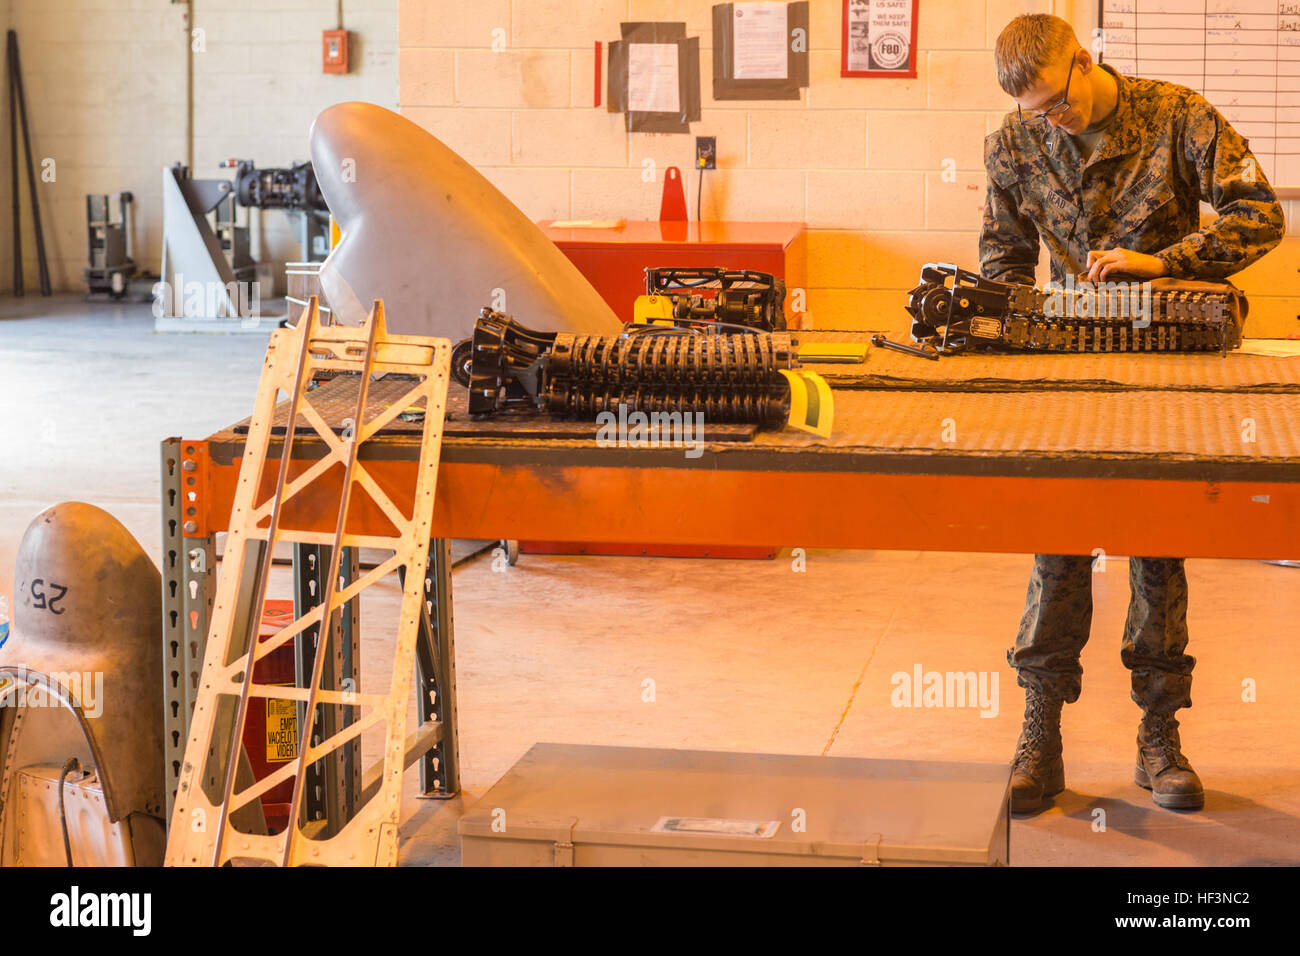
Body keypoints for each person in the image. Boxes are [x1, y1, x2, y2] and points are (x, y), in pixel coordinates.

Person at [981, 14, 1285, 813]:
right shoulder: (1014, 141)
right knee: (1058, 541)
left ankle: (1160, 739)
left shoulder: (1179, 116)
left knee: (1158, 542)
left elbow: (1261, 216)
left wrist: (1165, 263)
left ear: (1084, 61)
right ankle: (1039, 737)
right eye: (1035, 112)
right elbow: (1003, 258)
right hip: (1068, 361)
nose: (1051, 121)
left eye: (1058, 103)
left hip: (1166, 362)